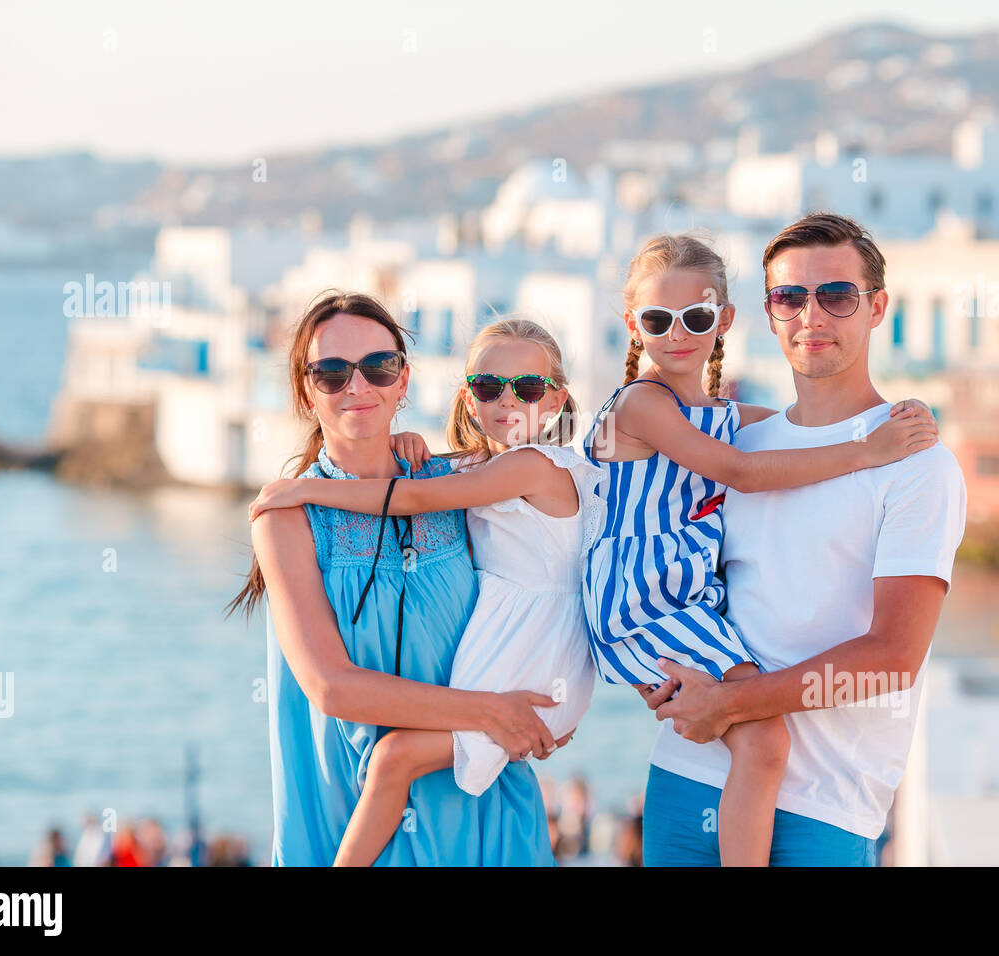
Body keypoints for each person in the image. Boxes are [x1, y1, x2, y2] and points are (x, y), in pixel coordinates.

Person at [583, 232, 938, 865]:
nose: (811, 315)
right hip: (685, 771)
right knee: (765, 745)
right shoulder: (676, 420)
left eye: (835, 295)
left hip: (824, 806)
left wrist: (878, 433)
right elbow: (740, 475)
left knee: (764, 744)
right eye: (790, 296)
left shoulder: (906, 464)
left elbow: (896, 656)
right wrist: (863, 451)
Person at [249, 317, 599, 866]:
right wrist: (490, 712)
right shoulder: (286, 517)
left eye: (379, 368)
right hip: (351, 803)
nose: (358, 386)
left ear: (404, 380)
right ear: (304, 388)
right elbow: (331, 688)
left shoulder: (448, 483)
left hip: (482, 807)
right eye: (332, 373)